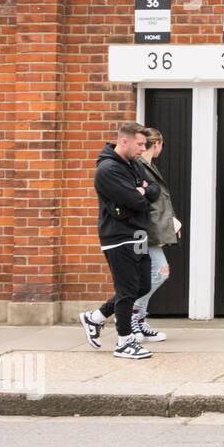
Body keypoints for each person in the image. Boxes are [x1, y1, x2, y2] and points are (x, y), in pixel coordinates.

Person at [79, 122, 159, 360]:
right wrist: (141, 192)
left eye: (145, 144)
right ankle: (124, 342)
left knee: (142, 286)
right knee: (127, 290)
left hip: (138, 233)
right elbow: (137, 202)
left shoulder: (133, 164)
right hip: (118, 236)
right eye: (140, 144)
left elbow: (153, 190)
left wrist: (143, 190)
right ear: (124, 141)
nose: (143, 148)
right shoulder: (107, 170)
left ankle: (94, 318)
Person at [129, 127, 178, 342]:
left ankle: (138, 321)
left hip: (153, 229)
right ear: (156, 143)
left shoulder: (148, 166)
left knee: (150, 274)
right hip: (144, 230)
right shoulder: (140, 167)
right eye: (162, 145)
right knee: (160, 272)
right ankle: (133, 315)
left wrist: (172, 223)